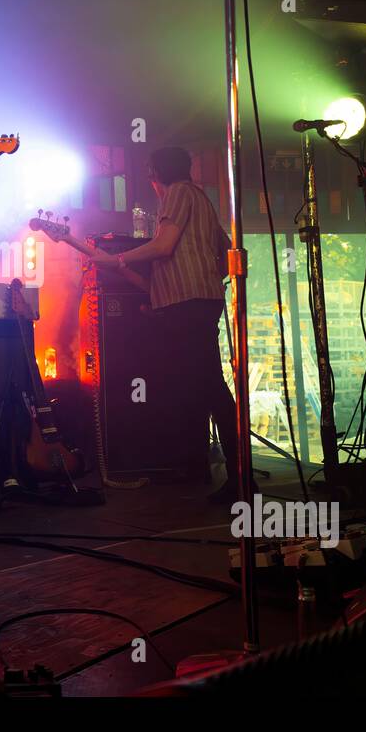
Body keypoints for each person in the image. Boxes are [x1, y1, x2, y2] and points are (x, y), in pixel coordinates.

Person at [90, 146, 239, 502]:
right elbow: (225, 249)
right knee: (202, 388)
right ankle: (213, 470)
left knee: (208, 389)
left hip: (188, 305)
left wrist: (121, 257)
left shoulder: (176, 194)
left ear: (156, 174)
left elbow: (165, 245)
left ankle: (239, 481)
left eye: (150, 174)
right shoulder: (201, 199)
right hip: (199, 301)